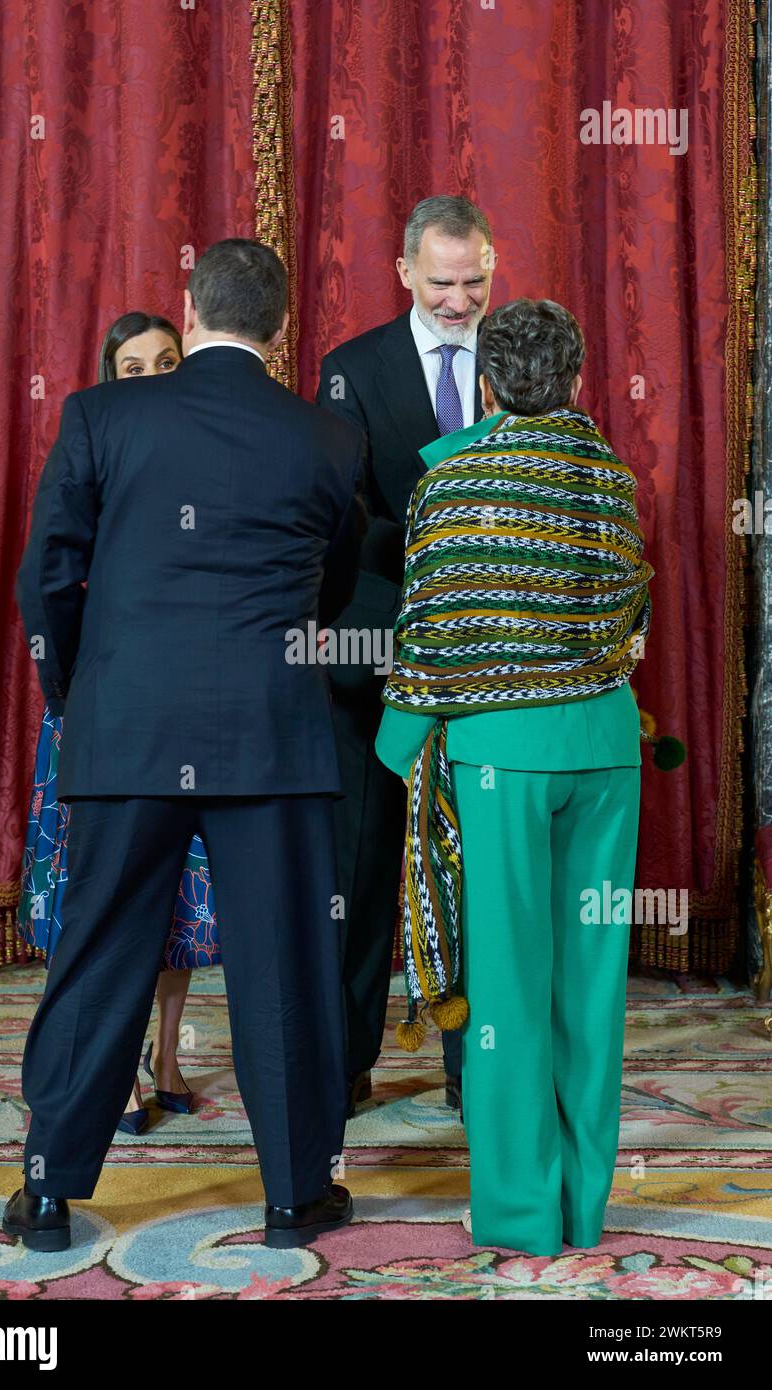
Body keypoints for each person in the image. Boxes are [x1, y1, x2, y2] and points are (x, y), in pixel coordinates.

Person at [5, 238, 366, 1253]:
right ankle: (297, 1194)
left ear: (189, 307)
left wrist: (81, 694)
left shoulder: (101, 414)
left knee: (98, 955)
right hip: (272, 734)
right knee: (286, 966)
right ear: (279, 326)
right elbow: (331, 591)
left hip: (129, 728)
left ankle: (45, 1193)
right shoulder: (327, 440)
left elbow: (46, 579)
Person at [376, 298, 653, 1256]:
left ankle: (520, 1213)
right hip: (610, 752)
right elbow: (627, 615)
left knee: (506, 992)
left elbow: (434, 628)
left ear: (487, 384)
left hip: (506, 759)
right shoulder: (612, 476)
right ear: (575, 379)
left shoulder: (451, 484)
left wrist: (396, 743)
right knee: (591, 989)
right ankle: (583, 1207)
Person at [316, 196, 497, 1116]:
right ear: (404, 276)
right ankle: (347, 1060)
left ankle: (475, 1067)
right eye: (443, 283)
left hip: (491, 675)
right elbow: (336, 525)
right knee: (359, 873)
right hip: (374, 665)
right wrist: (434, 544)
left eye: (475, 280)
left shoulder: (522, 362)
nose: (462, 300)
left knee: (477, 877)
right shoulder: (350, 372)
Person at [17, 312, 218, 1137]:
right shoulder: (91, 450)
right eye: (133, 366)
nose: (152, 375)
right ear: (110, 378)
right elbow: (48, 580)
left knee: (181, 898)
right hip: (99, 708)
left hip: (192, 710)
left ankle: (166, 1057)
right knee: (103, 902)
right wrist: (67, 695)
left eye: (167, 361)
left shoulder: (208, 453)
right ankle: (116, 1066)